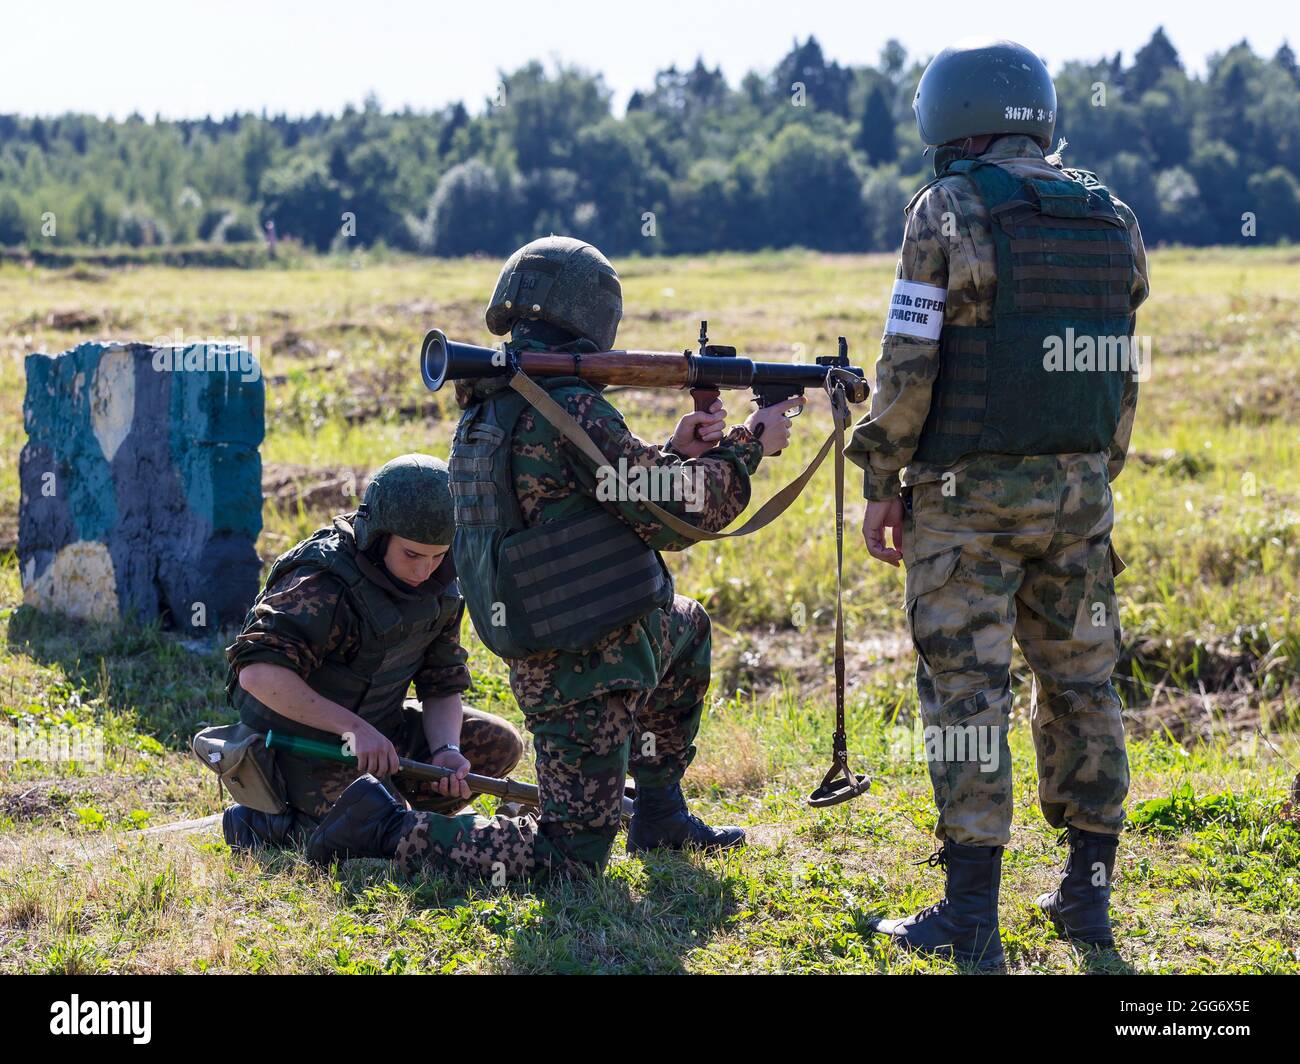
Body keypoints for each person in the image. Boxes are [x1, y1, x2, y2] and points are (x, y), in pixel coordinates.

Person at [306, 236, 803, 879]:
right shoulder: (564, 404)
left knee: (687, 628)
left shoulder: (499, 403)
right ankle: (382, 828)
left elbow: (598, 490)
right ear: (593, 318)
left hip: (591, 629)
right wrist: (747, 447)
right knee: (567, 858)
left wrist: (676, 448)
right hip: (577, 667)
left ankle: (659, 814)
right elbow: (681, 514)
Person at [846, 39, 1149, 969]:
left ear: (947, 119)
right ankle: (1086, 899)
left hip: (964, 504)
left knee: (968, 696)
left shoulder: (945, 209)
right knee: (1084, 684)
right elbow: (1119, 372)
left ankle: (971, 914)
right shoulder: (1111, 216)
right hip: (1079, 499)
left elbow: (907, 365)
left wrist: (881, 478)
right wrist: (1095, 479)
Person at [219, 453, 524, 847]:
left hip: (380, 734)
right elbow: (258, 674)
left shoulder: (440, 585)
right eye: (411, 554)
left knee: (500, 744)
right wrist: (355, 730)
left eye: (437, 556)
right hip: (302, 747)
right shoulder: (322, 581)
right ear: (377, 537)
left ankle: (388, 808)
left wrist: (445, 750)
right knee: (397, 835)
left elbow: (441, 682)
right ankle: (276, 823)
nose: (423, 572)